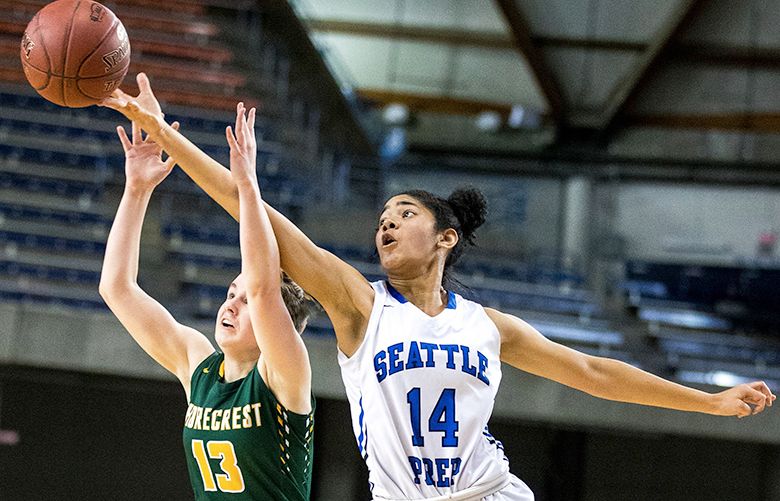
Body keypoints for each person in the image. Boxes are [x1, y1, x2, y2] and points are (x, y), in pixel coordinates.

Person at [102, 74, 775, 501]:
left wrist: (707, 404)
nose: (386, 224)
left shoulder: (488, 326)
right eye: (382, 217)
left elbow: (594, 371)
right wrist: (166, 136)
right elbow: (262, 224)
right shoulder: (357, 305)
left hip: (489, 492)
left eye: (405, 214)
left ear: (445, 237)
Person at [98, 102, 315, 500]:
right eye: (231, 295)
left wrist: (247, 186)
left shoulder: (284, 374)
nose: (231, 305)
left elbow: (266, 287)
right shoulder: (198, 365)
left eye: (245, 302)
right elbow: (117, 289)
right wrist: (136, 191)